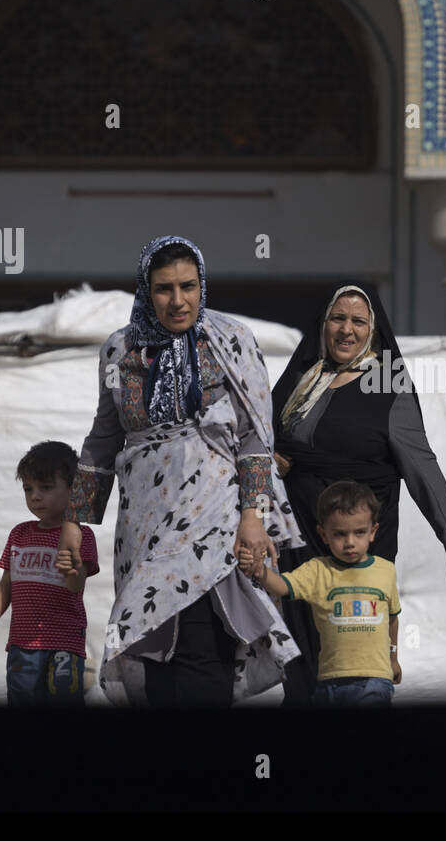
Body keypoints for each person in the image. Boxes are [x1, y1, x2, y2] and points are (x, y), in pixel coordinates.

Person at [55, 235, 303, 707]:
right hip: (145, 519)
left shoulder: (232, 340)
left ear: (202, 284)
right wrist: (73, 522)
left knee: (204, 640)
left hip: (217, 510)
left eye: (188, 286)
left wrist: (253, 517)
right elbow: (103, 440)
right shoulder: (119, 351)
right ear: (146, 290)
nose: (177, 300)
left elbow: (255, 437)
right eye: (164, 288)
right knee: (151, 645)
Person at [270, 281, 446, 705]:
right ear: (323, 324)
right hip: (299, 546)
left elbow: (422, 467)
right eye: (338, 318)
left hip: (359, 554)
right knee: (303, 673)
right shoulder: (301, 379)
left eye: (358, 321)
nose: (347, 330)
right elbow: (259, 439)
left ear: (374, 330)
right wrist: (269, 457)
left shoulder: (387, 383)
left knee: (354, 672)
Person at [237, 480, 401, 707]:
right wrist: (259, 569)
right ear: (323, 534)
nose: (350, 542)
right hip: (329, 681)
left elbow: (392, 619)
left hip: (374, 679)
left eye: (359, 532)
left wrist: (393, 658)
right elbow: (282, 586)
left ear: (373, 531)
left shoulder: (386, 571)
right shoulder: (317, 570)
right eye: (340, 534)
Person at [0, 441, 99, 706]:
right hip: (22, 642)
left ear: (72, 489)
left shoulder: (81, 535)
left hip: (64, 641)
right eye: (28, 489)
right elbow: (7, 583)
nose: (35, 497)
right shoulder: (20, 533)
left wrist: (74, 566)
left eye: (46, 488)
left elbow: (76, 586)